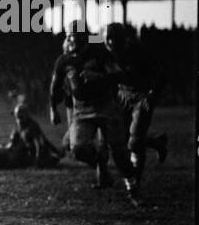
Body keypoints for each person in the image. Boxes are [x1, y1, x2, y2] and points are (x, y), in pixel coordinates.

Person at [48, 22, 140, 202]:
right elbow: (54, 87)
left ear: (82, 36)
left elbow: (121, 75)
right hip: (82, 110)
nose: (68, 39)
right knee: (77, 149)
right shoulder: (64, 60)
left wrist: (101, 77)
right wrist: (53, 109)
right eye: (67, 35)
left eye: (71, 35)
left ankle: (133, 188)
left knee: (119, 152)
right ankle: (100, 163)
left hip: (106, 105)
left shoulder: (100, 53)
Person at [104, 22, 168, 185]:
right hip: (122, 95)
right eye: (108, 40)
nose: (111, 44)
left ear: (123, 40)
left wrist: (151, 95)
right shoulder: (105, 51)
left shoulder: (139, 51)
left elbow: (160, 74)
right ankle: (156, 143)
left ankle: (135, 184)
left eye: (115, 40)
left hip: (141, 96)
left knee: (134, 142)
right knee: (124, 139)